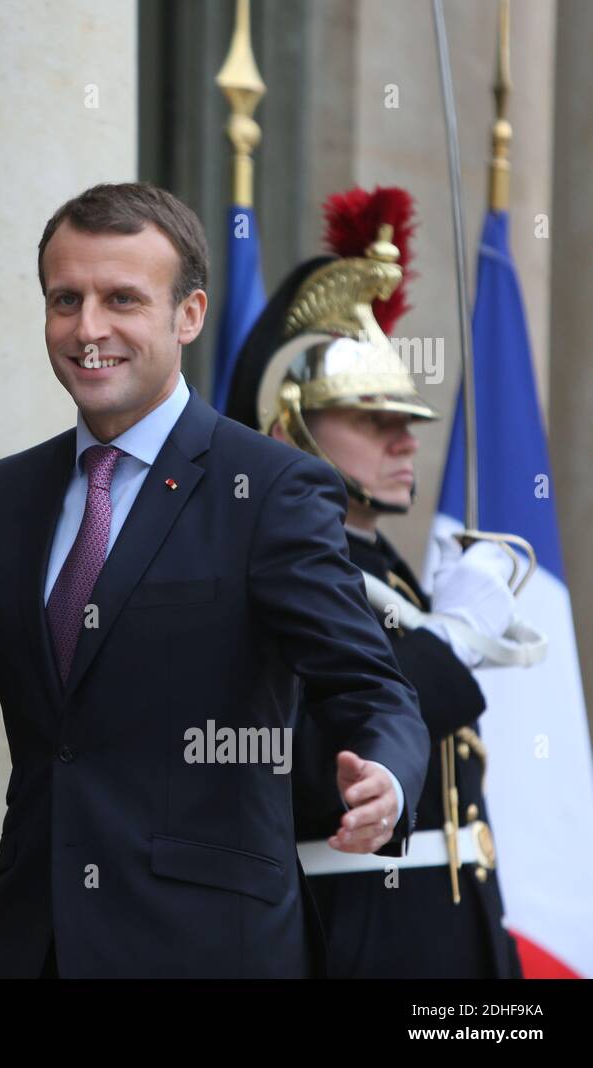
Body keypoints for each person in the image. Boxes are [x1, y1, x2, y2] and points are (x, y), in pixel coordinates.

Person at [0, 182, 429, 978]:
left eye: (123, 299)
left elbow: (372, 686)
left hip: (213, 948)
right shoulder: (3, 498)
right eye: (64, 299)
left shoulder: (272, 489)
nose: (88, 329)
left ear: (189, 316)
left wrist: (385, 779)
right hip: (34, 946)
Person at [226, 185, 523, 978]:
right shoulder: (268, 575)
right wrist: (449, 642)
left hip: (455, 931)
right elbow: (311, 766)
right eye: (372, 420)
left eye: (409, 423)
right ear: (291, 425)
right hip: (356, 934)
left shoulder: (386, 573)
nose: (404, 443)